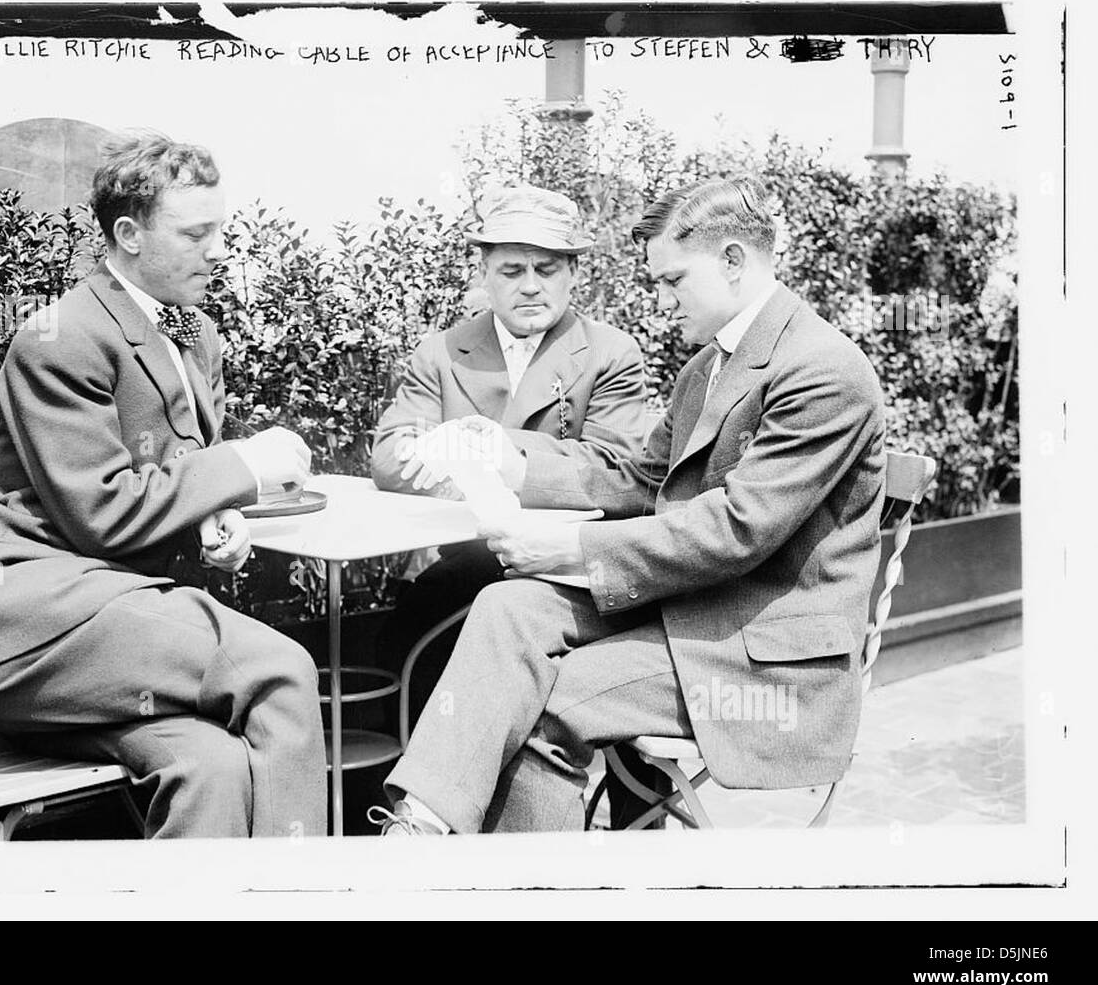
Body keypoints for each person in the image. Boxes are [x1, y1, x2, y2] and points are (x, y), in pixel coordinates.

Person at [370, 174, 887, 835]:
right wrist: (514, 463)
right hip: (696, 612)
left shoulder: (822, 368)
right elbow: (639, 476)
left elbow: (737, 529)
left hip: (761, 659)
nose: (662, 297)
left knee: (544, 706)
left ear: (733, 262)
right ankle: (423, 823)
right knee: (507, 605)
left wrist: (571, 550)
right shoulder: (708, 368)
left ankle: (529, 890)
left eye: (674, 280)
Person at [0, 132, 327, 839]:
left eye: (223, 229)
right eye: (195, 233)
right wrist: (243, 465)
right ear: (128, 234)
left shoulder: (195, 332)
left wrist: (220, 516)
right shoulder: (58, 338)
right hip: (38, 630)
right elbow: (104, 512)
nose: (220, 250)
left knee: (211, 766)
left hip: (124, 633)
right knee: (280, 667)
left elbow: (175, 472)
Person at [370, 183, 646, 731]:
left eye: (546, 269)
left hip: (567, 569)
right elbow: (390, 456)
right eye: (512, 270)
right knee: (411, 637)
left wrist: (487, 449)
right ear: (485, 273)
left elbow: (618, 468)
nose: (530, 287)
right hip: (462, 566)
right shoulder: (444, 352)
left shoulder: (610, 353)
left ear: (573, 273)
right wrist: (436, 451)